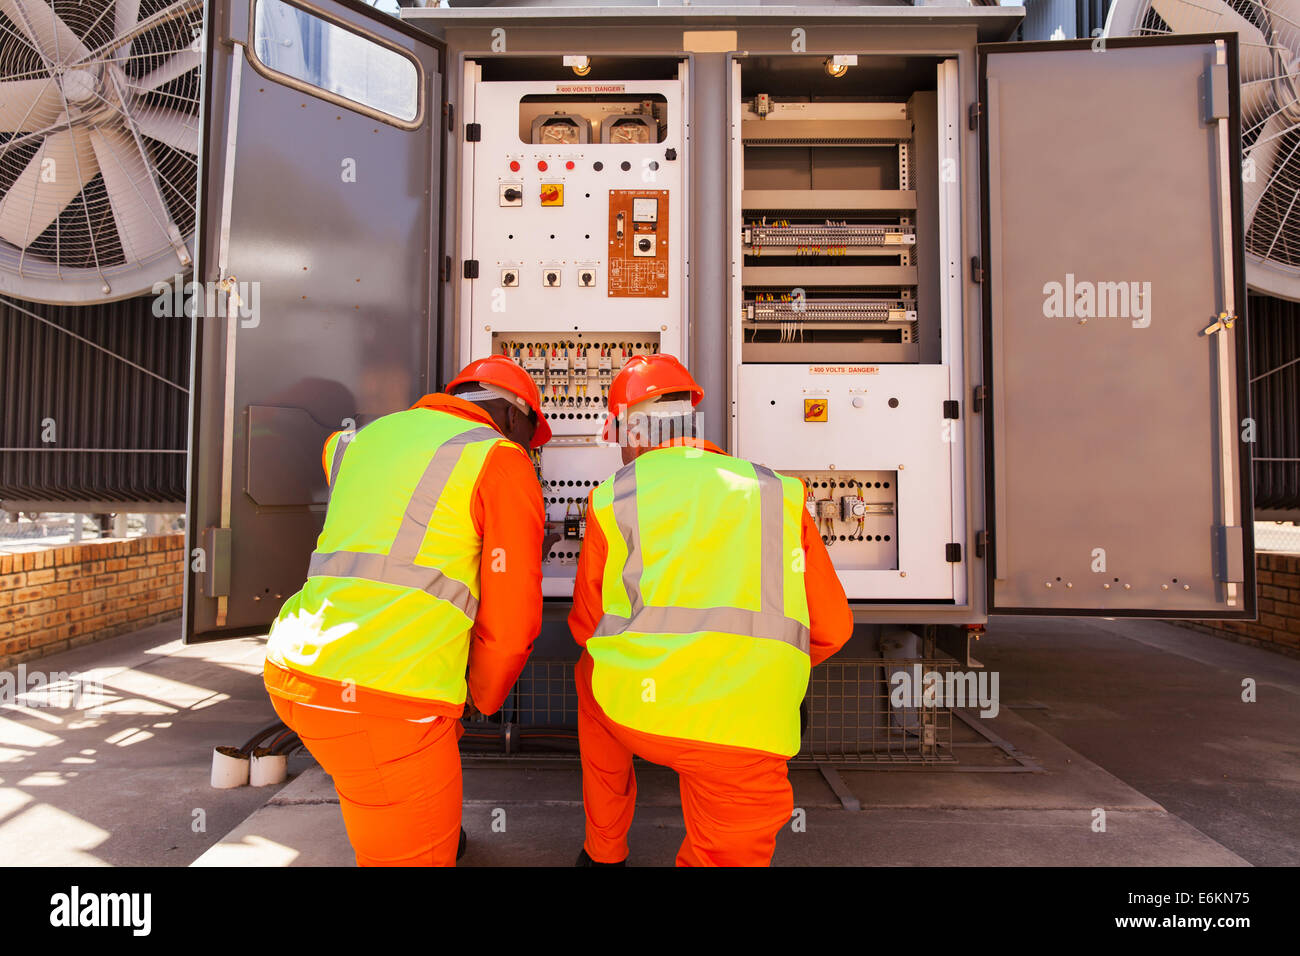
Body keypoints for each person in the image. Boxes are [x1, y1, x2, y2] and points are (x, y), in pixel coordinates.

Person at [263, 355, 553, 866]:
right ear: (512, 418)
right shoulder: (502, 459)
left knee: (382, 798)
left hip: (297, 666)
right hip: (385, 701)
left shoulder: (355, 442)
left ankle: (425, 823)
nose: (529, 451)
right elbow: (511, 622)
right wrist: (479, 698)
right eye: (531, 437)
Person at [568, 354, 854, 866]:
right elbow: (832, 627)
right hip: (746, 723)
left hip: (639, 708)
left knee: (591, 675)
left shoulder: (612, 498)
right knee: (729, 849)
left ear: (631, 431)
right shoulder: (780, 493)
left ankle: (603, 852)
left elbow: (588, 626)